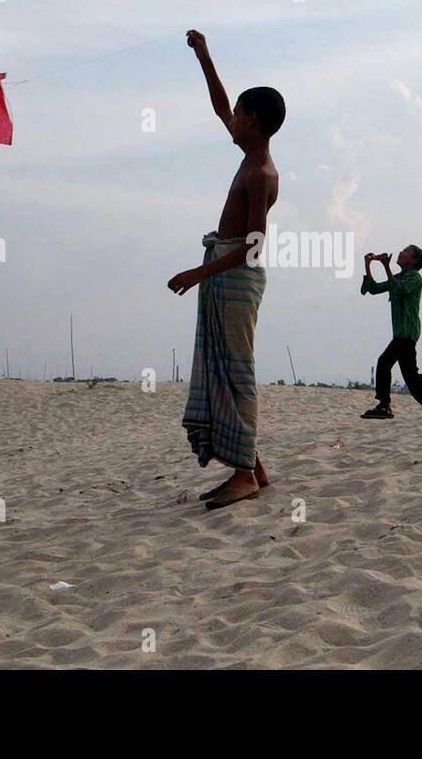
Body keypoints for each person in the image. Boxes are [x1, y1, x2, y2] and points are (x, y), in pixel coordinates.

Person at [168, 30, 284, 510]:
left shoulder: (261, 173)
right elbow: (218, 106)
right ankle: (253, 466)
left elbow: (255, 245)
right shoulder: (248, 156)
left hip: (235, 277)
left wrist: (200, 274)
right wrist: (205, 56)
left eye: (238, 114)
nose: (230, 120)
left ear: (252, 121)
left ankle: (244, 474)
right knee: (225, 368)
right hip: (222, 272)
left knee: (237, 373)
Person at [360, 246, 422, 418]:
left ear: (414, 260)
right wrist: (368, 266)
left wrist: (386, 267)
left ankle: (384, 405)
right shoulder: (400, 276)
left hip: (407, 332)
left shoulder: (415, 277)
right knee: (410, 374)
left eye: (406, 252)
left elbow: (400, 289)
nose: (401, 253)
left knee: (384, 362)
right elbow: (373, 289)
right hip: (402, 332)